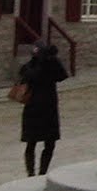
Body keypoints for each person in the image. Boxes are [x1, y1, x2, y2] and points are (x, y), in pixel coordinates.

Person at [17, 43, 68, 176]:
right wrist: (45, 62)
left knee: (48, 142)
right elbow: (29, 76)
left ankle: (42, 171)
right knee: (31, 142)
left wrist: (52, 60)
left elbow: (62, 75)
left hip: (47, 108)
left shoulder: (49, 65)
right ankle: (31, 172)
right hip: (35, 108)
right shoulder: (30, 67)